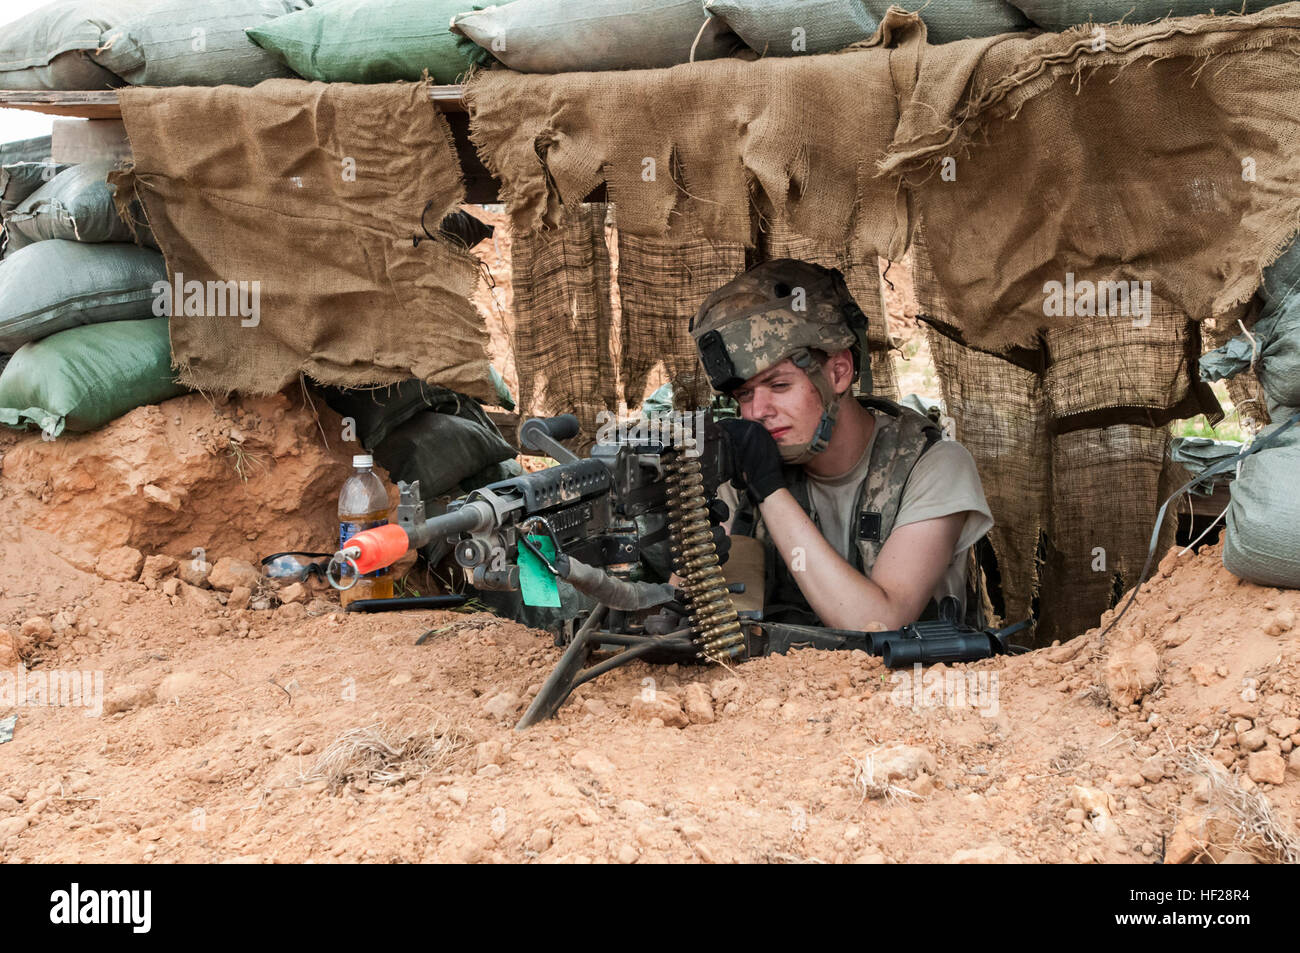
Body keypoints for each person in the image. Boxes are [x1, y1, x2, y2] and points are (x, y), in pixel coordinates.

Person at [691, 258, 994, 631]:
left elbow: (878, 624)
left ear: (838, 373)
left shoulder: (934, 465)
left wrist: (769, 489)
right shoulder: (746, 468)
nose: (757, 412)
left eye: (779, 385)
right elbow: (686, 619)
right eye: (744, 394)